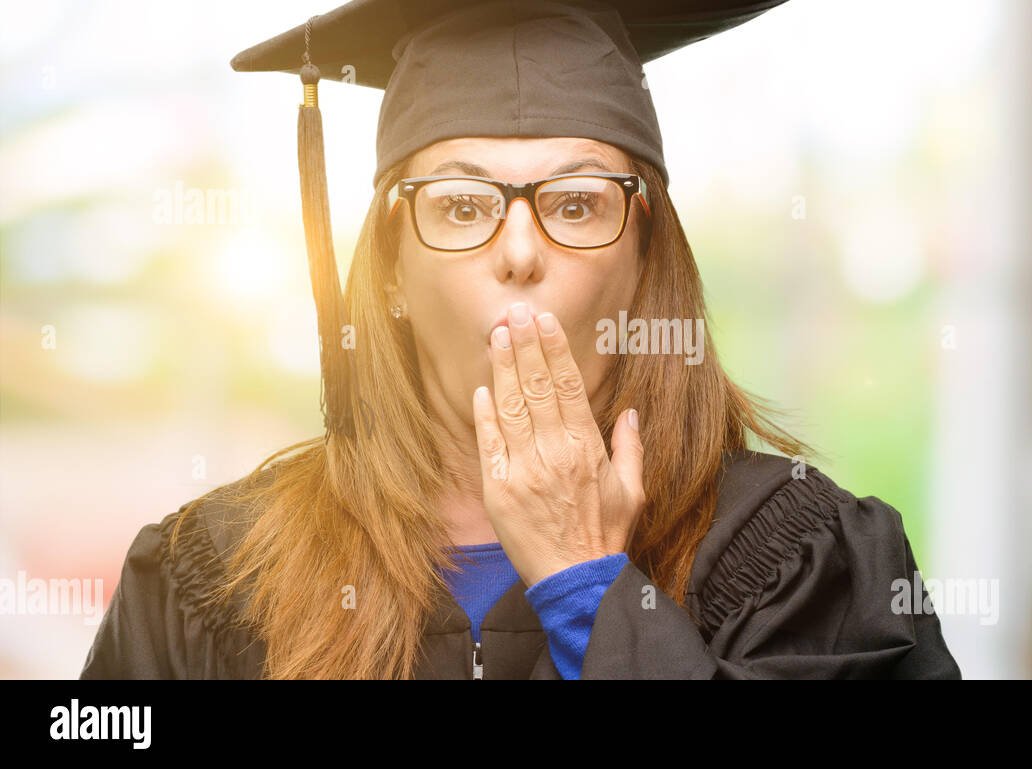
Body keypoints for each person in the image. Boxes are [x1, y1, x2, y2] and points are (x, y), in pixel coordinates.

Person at [79, 0, 961, 680]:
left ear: (645, 258)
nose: (520, 249)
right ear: (388, 271)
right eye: (462, 206)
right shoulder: (216, 578)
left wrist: (588, 588)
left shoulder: (807, 561)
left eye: (576, 202)